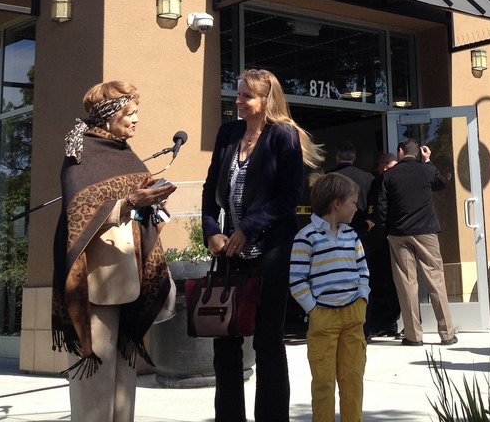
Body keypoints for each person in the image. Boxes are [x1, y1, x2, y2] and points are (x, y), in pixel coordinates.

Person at [201, 68, 323, 422]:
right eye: (237, 94)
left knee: (267, 341)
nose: (238, 101)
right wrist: (211, 230)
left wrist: (248, 230)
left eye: (246, 96)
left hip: (271, 251)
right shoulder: (228, 133)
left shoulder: (283, 135)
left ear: (265, 100)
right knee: (225, 340)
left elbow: (289, 195)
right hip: (229, 253)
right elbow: (211, 189)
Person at [52, 81, 178, 422]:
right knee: (94, 391)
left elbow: (135, 208)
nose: (136, 120)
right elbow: (78, 212)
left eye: (137, 112)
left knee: (124, 387)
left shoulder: (127, 153)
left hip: (130, 279)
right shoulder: (82, 154)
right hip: (95, 285)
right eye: (130, 113)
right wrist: (128, 203)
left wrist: (154, 206)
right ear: (109, 116)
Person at [289, 172, 369, 422]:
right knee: (323, 384)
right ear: (337, 203)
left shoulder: (352, 236)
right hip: (322, 318)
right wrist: (314, 309)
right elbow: (297, 280)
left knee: (353, 381)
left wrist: (362, 299)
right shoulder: (306, 237)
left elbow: (363, 270)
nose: (357, 209)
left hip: (353, 317)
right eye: (353, 203)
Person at [371, 139, 456, 347]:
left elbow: (381, 209)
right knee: (435, 280)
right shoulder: (425, 171)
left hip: (399, 234)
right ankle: (447, 334)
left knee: (407, 284)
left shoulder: (389, 176)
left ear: (400, 152)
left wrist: (384, 231)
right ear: (417, 152)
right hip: (427, 231)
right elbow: (442, 184)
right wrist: (428, 161)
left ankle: (413, 335)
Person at [365, 152, 401, 338]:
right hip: (389, 239)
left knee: (393, 282)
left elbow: (381, 208)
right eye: (380, 164)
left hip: (391, 238)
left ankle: (390, 321)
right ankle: (390, 322)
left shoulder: (389, 181)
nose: (380, 168)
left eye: (382, 164)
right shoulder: (381, 182)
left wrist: (374, 223)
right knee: (391, 282)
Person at [326, 140, 374, 241]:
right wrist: (370, 221)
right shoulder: (368, 178)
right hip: (360, 229)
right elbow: (376, 202)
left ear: (337, 157)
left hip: (333, 229)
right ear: (354, 158)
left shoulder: (327, 178)